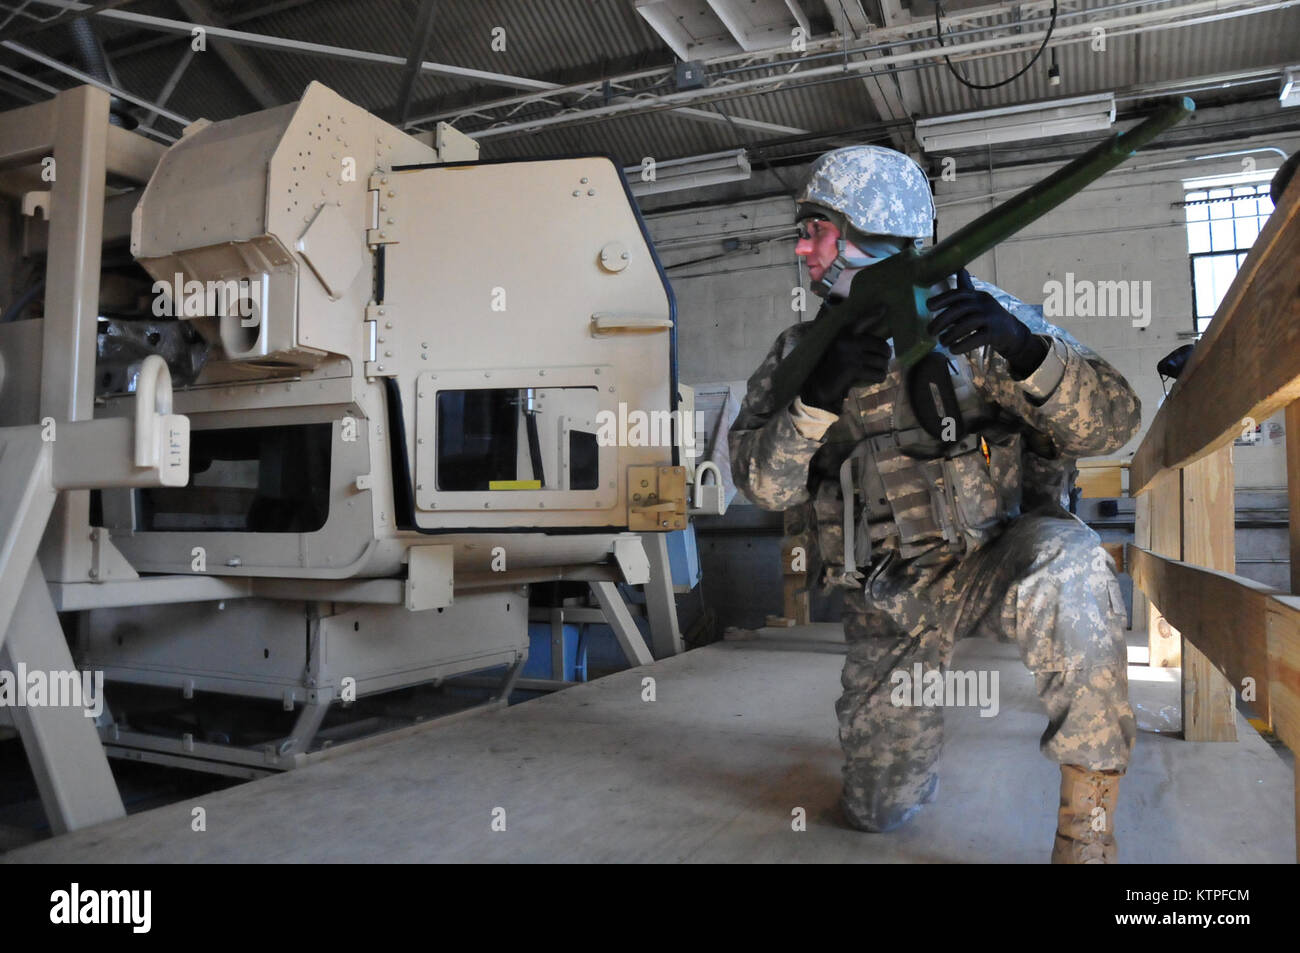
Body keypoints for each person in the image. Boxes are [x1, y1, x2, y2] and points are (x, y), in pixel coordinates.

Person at [728, 145, 1142, 863]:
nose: (801, 247)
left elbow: (1112, 423)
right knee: (876, 811)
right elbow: (762, 484)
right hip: (886, 599)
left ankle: (1089, 825)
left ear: (872, 227)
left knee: (1073, 565)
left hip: (995, 560)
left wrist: (1023, 349)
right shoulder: (803, 351)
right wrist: (814, 400)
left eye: (816, 228)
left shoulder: (982, 320)